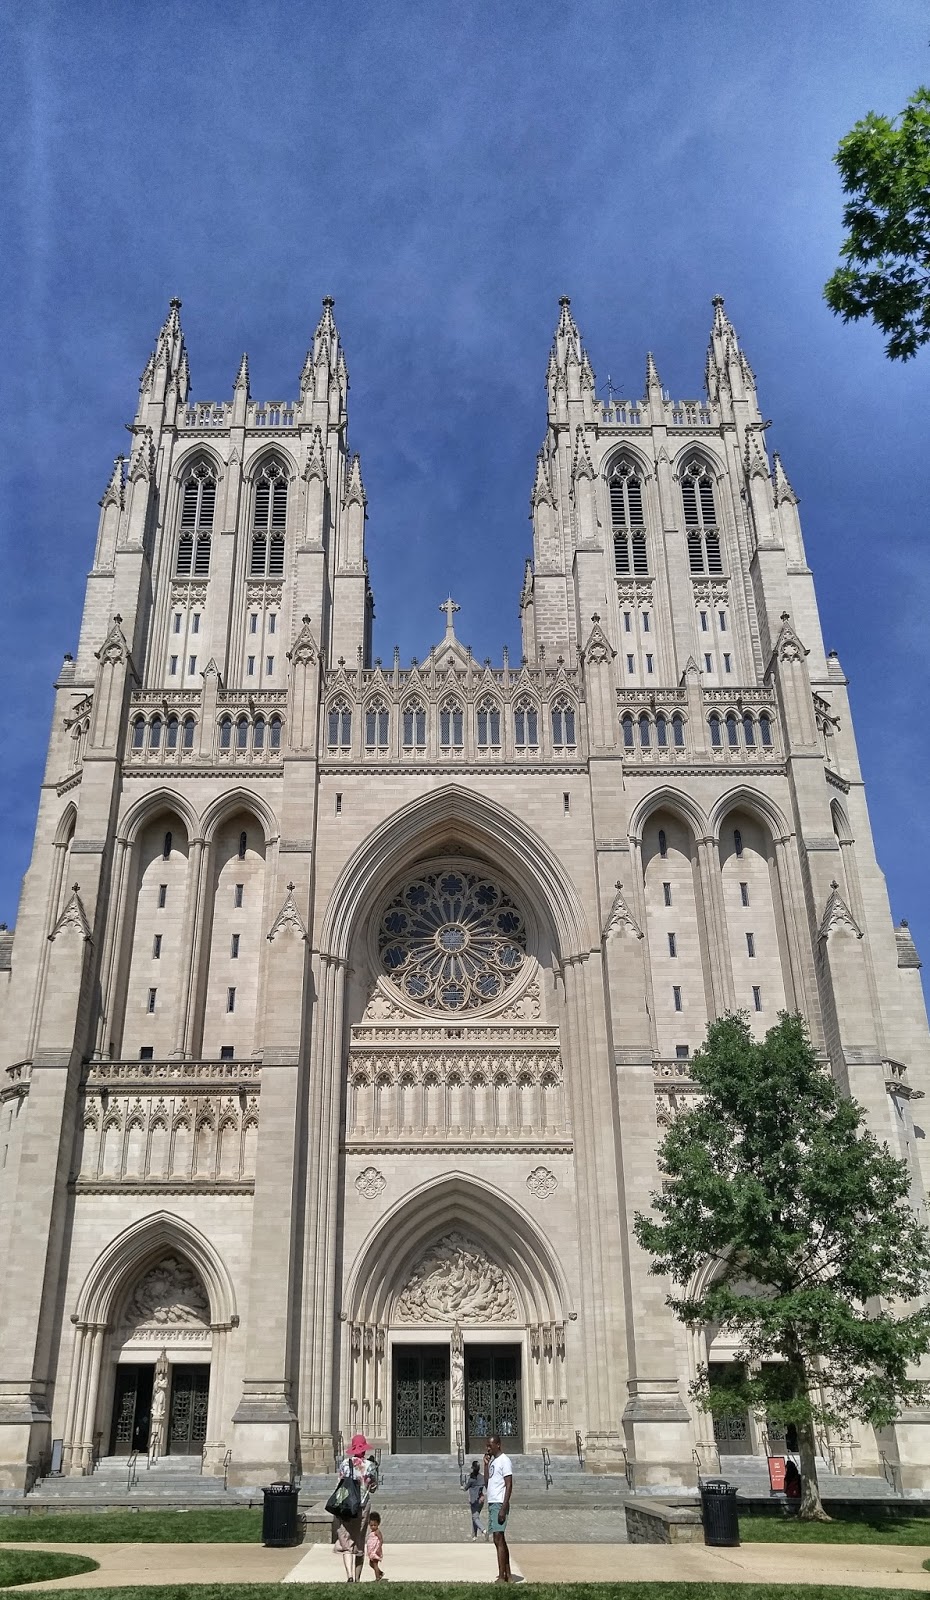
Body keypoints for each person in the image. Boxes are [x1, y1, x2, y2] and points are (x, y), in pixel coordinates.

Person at [334, 1433, 378, 1582]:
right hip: (362, 1506)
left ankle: (350, 1576)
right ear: (364, 1449)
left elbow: (339, 1484)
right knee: (359, 1540)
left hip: (346, 1506)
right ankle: (358, 1578)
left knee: (346, 1540)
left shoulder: (345, 1464)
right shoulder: (370, 1466)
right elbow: (373, 1488)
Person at [483, 1434, 513, 1582]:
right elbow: (487, 1483)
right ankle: (508, 1574)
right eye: (487, 1445)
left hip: (499, 1503)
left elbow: (509, 1484)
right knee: (500, 1539)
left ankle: (502, 1576)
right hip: (492, 1502)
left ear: (498, 1445)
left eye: (490, 1445)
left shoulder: (504, 1461)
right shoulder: (493, 1462)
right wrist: (485, 1465)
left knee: (498, 1538)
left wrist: (503, 1507)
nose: (488, 1448)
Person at [464, 1458, 486, 1540]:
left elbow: (465, 1488)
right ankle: (474, 1535)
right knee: (475, 1516)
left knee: (475, 1517)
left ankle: (483, 1530)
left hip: (474, 1500)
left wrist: (462, 1486)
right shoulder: (482, 1478)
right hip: (481, 1499)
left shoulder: (471, 1479)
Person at [366, 1511, 385, 1580]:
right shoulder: (372, 1532)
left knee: (375, 1564)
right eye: (371, 1525)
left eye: (375, 1525)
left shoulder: (377, 1531)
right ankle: (380, 1572)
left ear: (378, 1524)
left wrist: (379, 1548)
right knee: (371, 1564)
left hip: (375, 1551)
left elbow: (381, 1539)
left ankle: (377, 1577)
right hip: (371, 1551)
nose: (373, 1527)